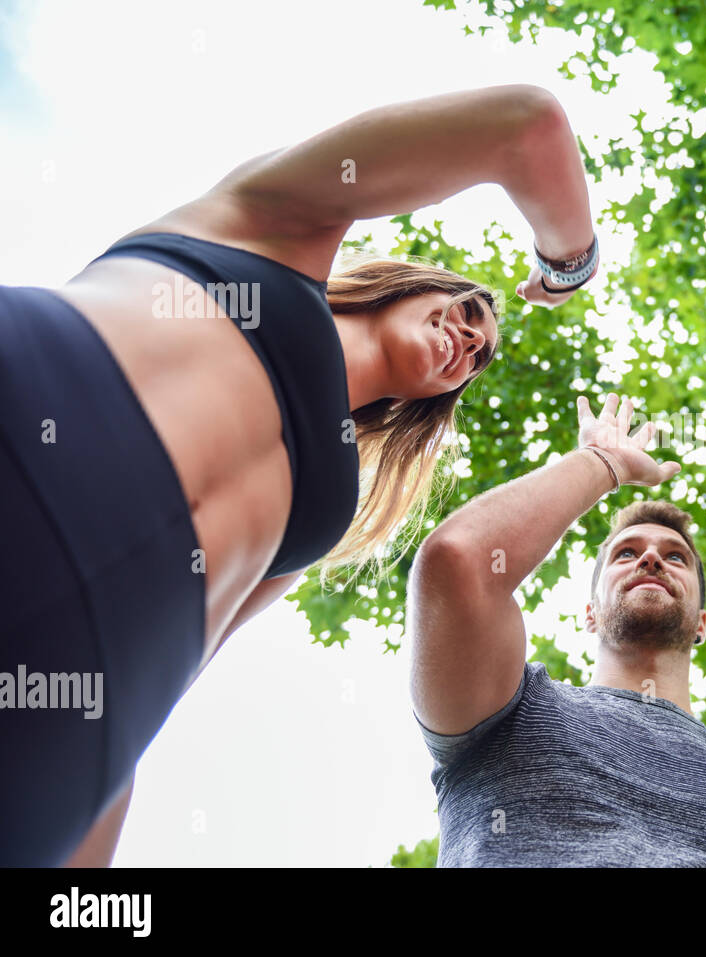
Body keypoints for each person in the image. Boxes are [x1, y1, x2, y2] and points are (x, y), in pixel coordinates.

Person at [0, 83, 600, 866]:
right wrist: (568, 266)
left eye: (478, 356)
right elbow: (527, 126)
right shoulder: (270, 233)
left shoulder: (325, 507)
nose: (467, 340)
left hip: (67, 714)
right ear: (412, 282)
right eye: (465, 310)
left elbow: (178, 671)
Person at [407, 394, 706, 866]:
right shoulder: (508, 710)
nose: (651, 558)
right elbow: (457, 561)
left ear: (701, 624)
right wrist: (603, 462)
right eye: (626, 554)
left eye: (676, 557)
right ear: (590, 613)